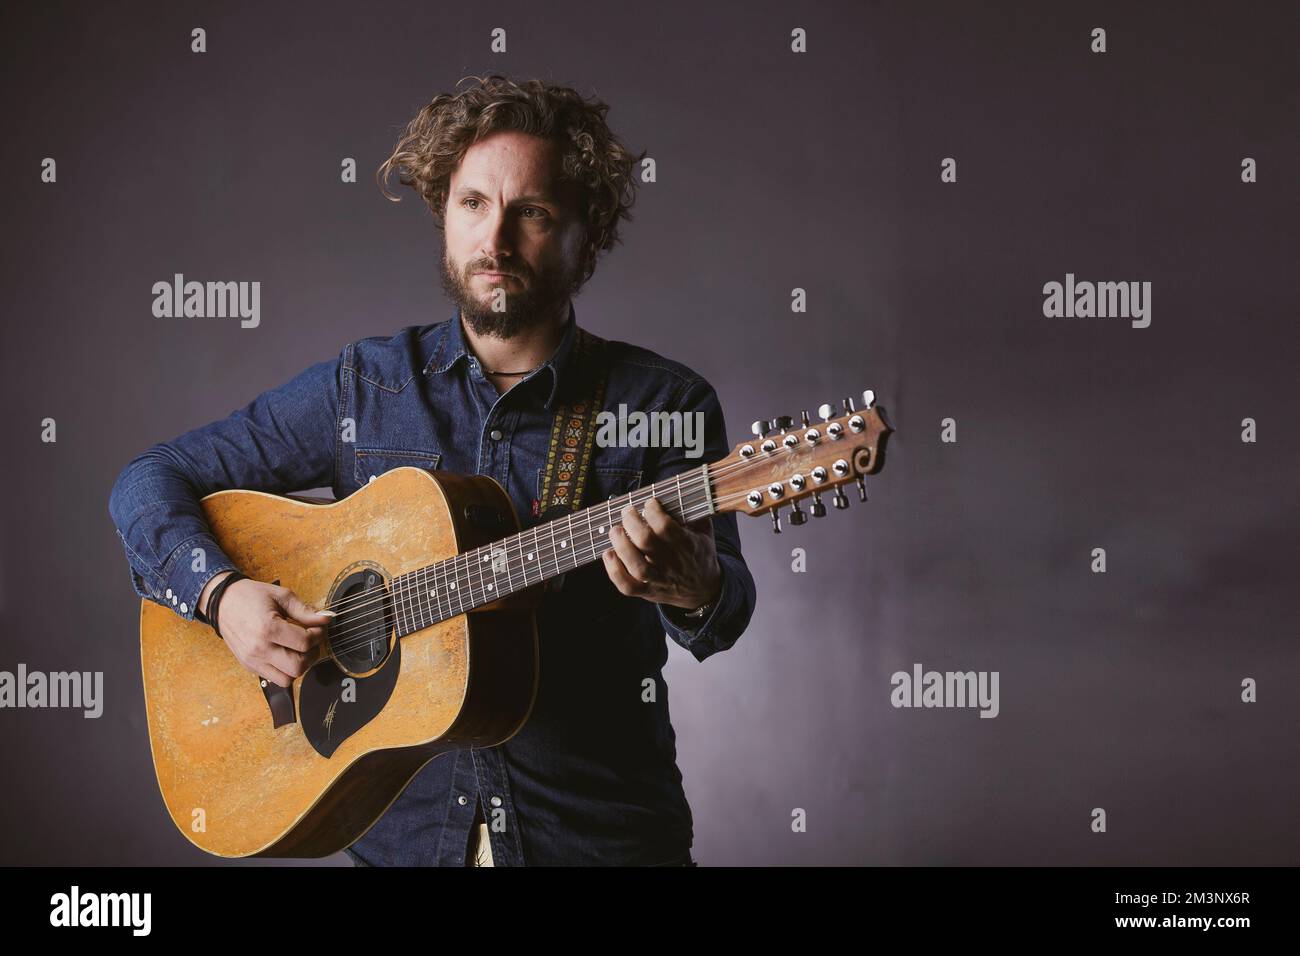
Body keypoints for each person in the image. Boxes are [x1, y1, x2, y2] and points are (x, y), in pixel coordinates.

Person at [108, 75, 756, 866]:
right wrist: (224, 596)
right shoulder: (366, 387)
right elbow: (150, 478)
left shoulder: (662, 400)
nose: (496, 242)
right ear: (443, 214)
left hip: (595, 837)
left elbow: (723, 615)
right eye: (473, 205)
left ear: (587, 232)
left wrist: (696, 586)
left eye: (534, 213)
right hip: (409, 846)